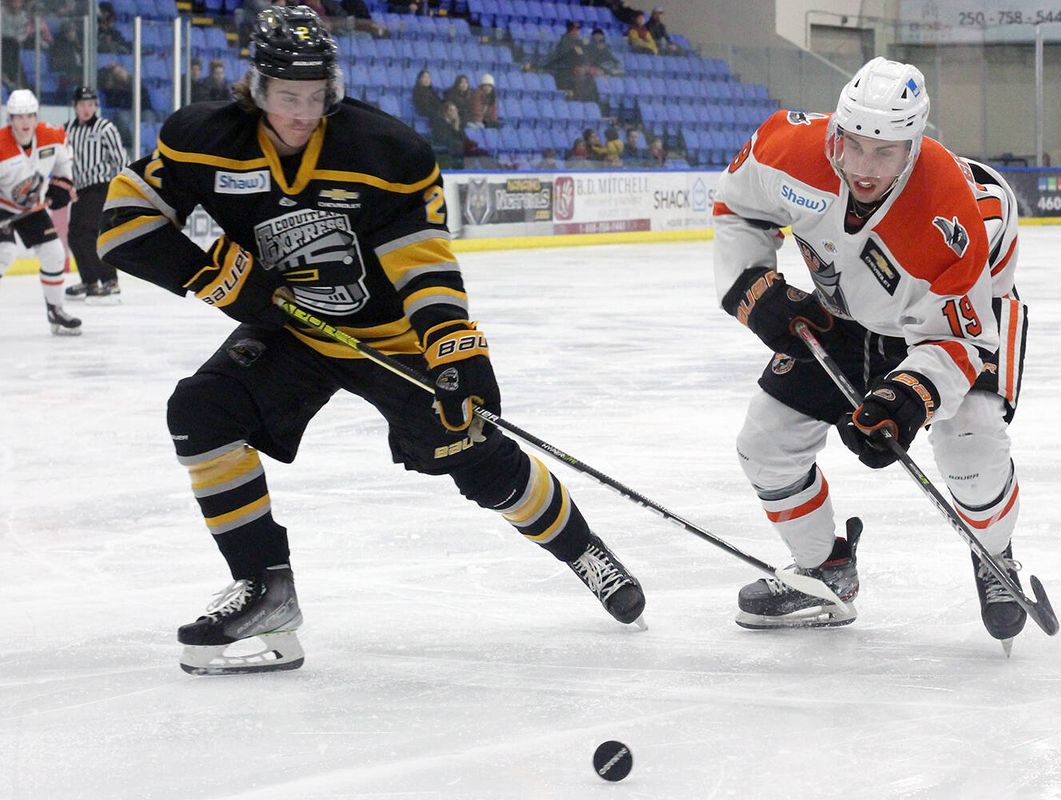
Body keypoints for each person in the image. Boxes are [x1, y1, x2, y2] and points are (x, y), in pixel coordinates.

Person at [97, 6, 645, 676]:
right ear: (257, 88)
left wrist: (453, 349)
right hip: (294, 329)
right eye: (285, 96)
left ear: (334, 88)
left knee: (479, 461)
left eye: (313, 96)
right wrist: (224, 280)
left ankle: (584, 551)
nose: (300, 113)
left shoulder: (384, 152)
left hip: (389, 338)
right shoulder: (206, 139)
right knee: (202, 412)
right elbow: (123, 224)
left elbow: (425, 263)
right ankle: (266, 589)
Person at [711, 57, 1028, 645]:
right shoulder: (790, 148)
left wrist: (910, 397)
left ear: (914, 146)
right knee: (766, 445)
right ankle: (824, 569)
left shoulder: (952, 219)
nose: (862, 167)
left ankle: (995, 553)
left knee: (970, 443)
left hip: (957, 319)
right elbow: (740, 207)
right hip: (845, 307)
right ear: (836, 128)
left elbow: (957, 338)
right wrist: (750, 287)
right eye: (853, 145)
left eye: (884, 153)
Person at [0, 90, 80, 335]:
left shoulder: (52, 136)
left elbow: (64, 166)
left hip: (32, 207)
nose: (24, 123)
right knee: (4, 253)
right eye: (19, 117)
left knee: (54, 253)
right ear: (10, 119)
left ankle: (55, 310)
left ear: (36, 117)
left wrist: (61, 187)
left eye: (29, 116)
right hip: (2, 206)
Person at [65, 86, 128, 303]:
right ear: (75, 106)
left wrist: (120, 189)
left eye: (91, 104)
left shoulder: (105, 128)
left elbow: (120, 159)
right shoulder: (68, 130)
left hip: (101, 187)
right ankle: (90, 280)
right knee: (74, 236)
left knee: (91, 234)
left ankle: (109, 280)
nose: (87, 109)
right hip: (80, 190)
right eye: (82, 104)